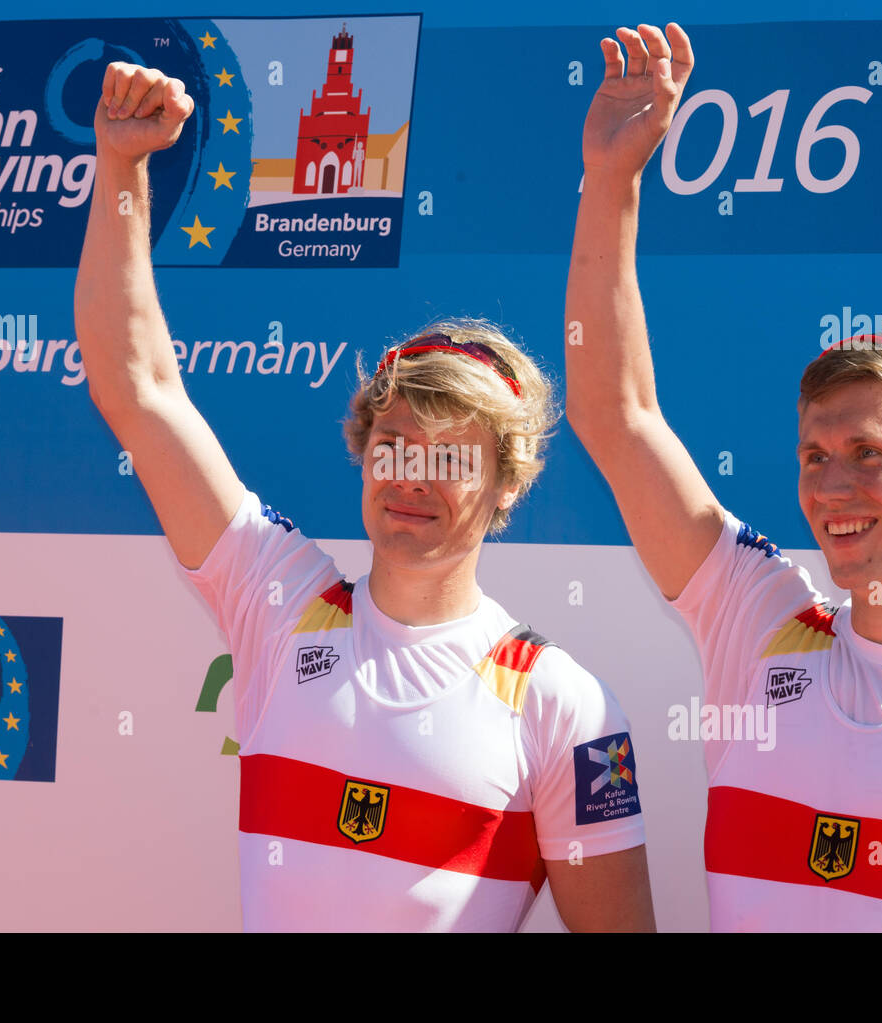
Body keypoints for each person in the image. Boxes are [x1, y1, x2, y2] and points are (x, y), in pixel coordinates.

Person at [74, 61, 652, 931]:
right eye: (393, 446)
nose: (412, 479)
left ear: (506, 484)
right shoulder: (277, 602)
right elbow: (139, 388)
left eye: (450, 457)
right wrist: (121, 167)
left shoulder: (571, 707)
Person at [565, 22, 882, 931]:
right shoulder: (758, 622)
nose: (830, 486)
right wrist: (611, 181)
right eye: (813, 455)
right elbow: (617, 417)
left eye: (870, 455)